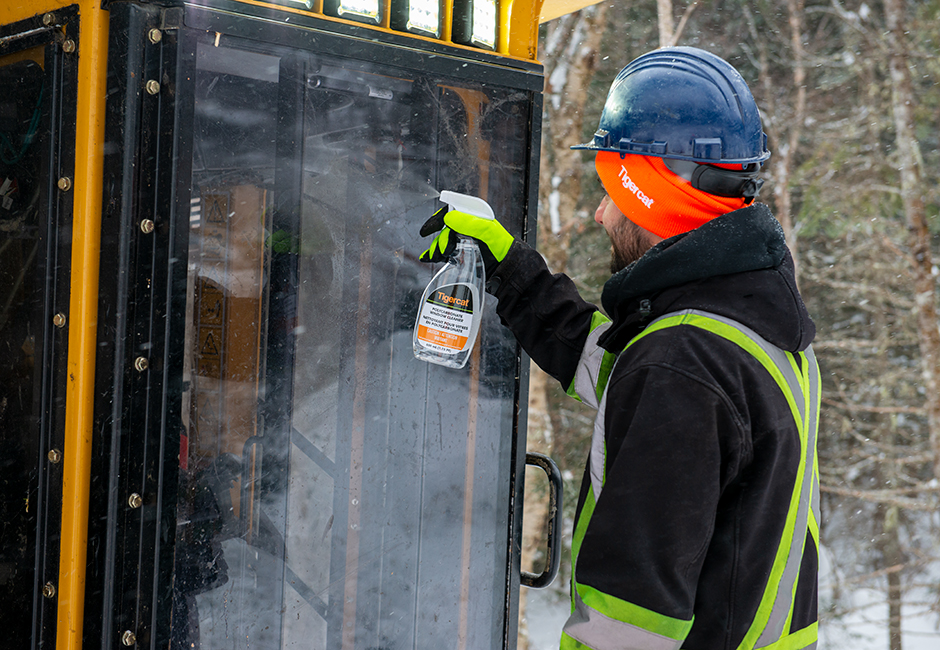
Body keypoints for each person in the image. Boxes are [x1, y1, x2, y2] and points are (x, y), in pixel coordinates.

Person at [419, 47, 820, 650]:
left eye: (612, 190)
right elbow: (612, 366)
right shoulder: (746, 325)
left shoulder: (683, 363)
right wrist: (506, 263)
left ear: (653, 195)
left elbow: (629, 625)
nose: (600, 214)